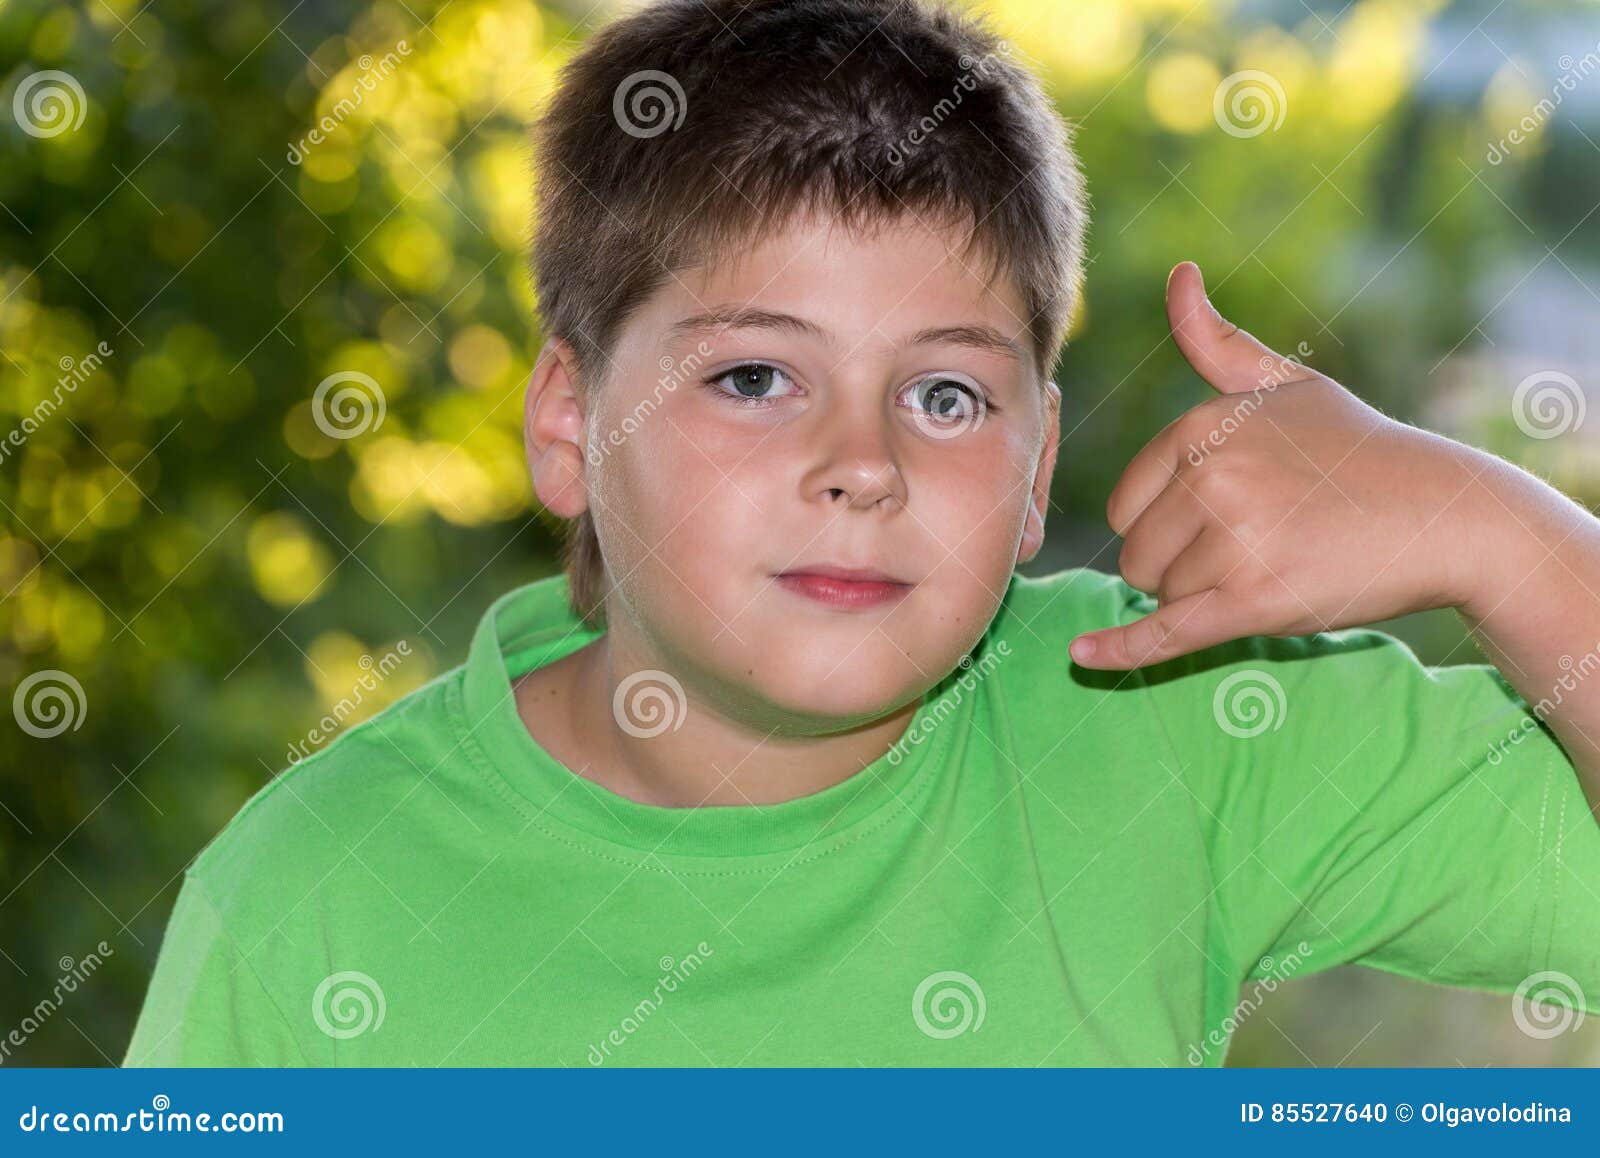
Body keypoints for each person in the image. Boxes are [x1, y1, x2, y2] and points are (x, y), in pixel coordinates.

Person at [124, 0, 1600, 1066]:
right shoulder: (312, 899)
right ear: (571, 426)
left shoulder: (1175, 728)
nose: (862, 464)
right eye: (756, 376)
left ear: (1037, 473)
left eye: (947, 394)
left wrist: (1499, 532)